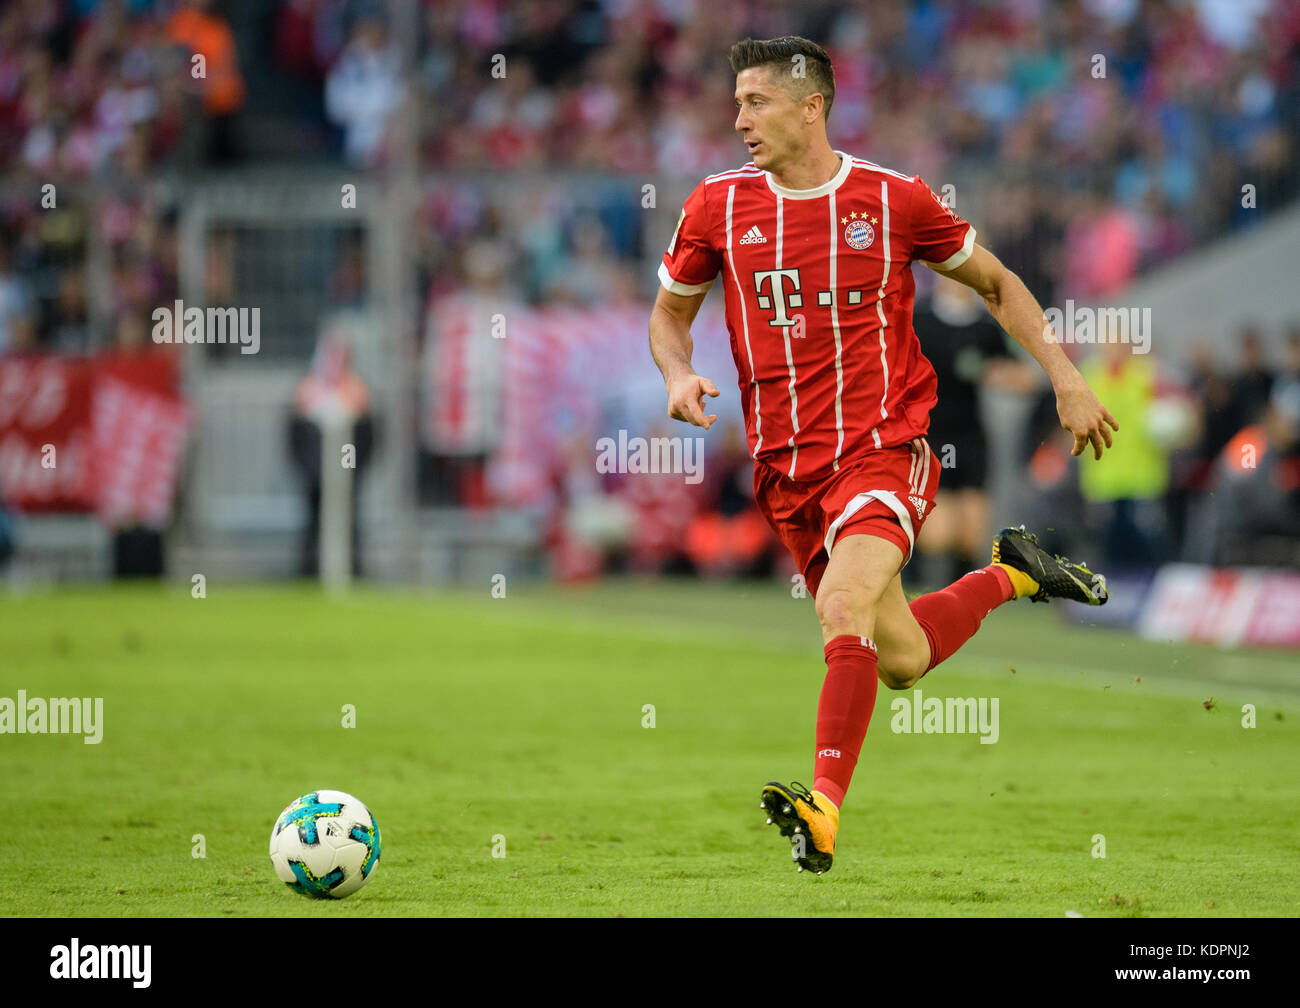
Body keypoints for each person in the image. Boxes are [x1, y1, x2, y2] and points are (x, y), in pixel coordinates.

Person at [648, 36, 1118, 876]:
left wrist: (1066, 378)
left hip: (883, 447)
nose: (738, 118)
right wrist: (679, 373)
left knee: (842, 605)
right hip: (785, 470)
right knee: (897, 659)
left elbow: (998, 282)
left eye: (756, 102)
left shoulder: (892, 199)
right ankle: (1013, 573)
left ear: (810, 106)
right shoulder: (715, 206)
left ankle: (824, 809)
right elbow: (669, 314)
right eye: (736, 102)